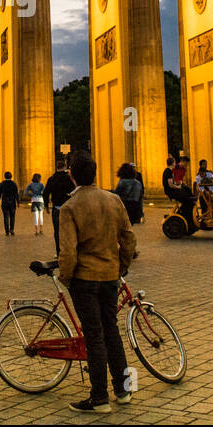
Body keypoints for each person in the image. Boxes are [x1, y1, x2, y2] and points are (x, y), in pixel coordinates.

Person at [58, 152, 137, 413]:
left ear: (71, 176)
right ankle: (123, 390)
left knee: (93, 335)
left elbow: (68, 251)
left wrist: (65, 278)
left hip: (84, 278)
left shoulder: (70, 207)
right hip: (110, 276)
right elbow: (128, 239)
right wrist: (120, 266)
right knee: (111, 331)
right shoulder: (113, 200)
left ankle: (99, 398)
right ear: (96, 174)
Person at [46, 160, 75, 251]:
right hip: (68, 207)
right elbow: (74, 191)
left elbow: (45, 193)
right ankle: (68, 249)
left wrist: (46, 205)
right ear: (64, 167)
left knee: (57, 231)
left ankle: (59, 251)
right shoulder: (69, 179)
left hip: (56, 207)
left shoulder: (51, 179)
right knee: (69, 230)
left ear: (56, 167)